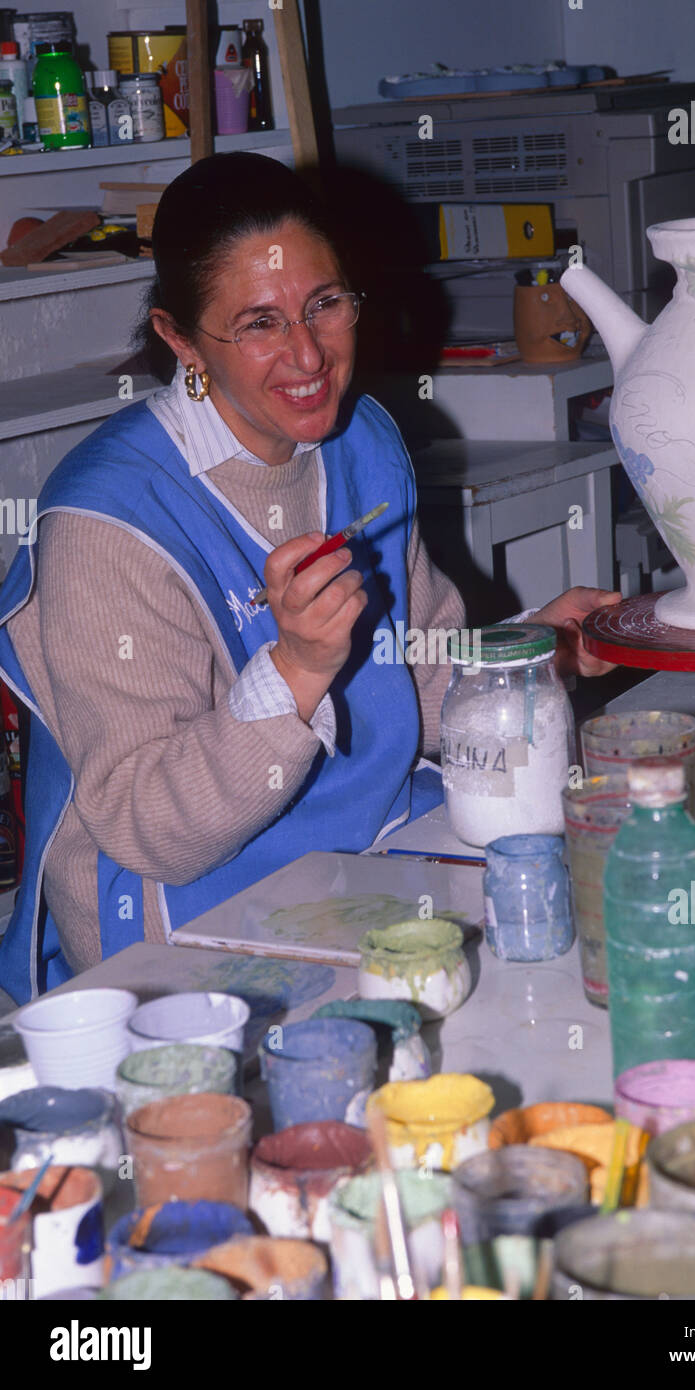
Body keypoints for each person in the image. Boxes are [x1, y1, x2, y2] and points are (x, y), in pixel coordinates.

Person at [0, 153, 619, 1003]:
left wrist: (530, 654)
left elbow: (416, 676)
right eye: (257, 323)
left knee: (567, 942)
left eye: (325, 304)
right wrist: (294, 671)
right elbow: (151, 832)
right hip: (183, 915)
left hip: (364, 838)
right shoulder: (106, 524)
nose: (307, 355)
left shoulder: (360, 438)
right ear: (182, 341)